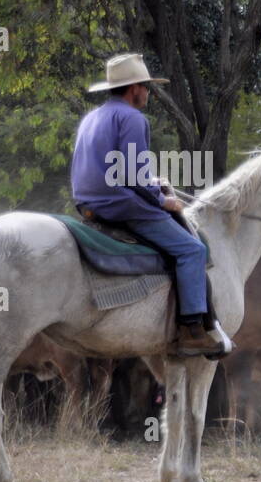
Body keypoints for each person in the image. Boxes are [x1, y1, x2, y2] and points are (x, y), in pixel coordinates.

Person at [71, 53, 220, 356]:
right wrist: (162, 200)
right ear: (134, 88)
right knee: (193, 250)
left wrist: (153, 182)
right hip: (121, 206)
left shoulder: (91, 117)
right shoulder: (133, 118)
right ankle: (191, 329)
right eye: (146, 87)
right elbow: (131, 173)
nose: (149, 93)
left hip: (87, 203)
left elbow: (115, 168)